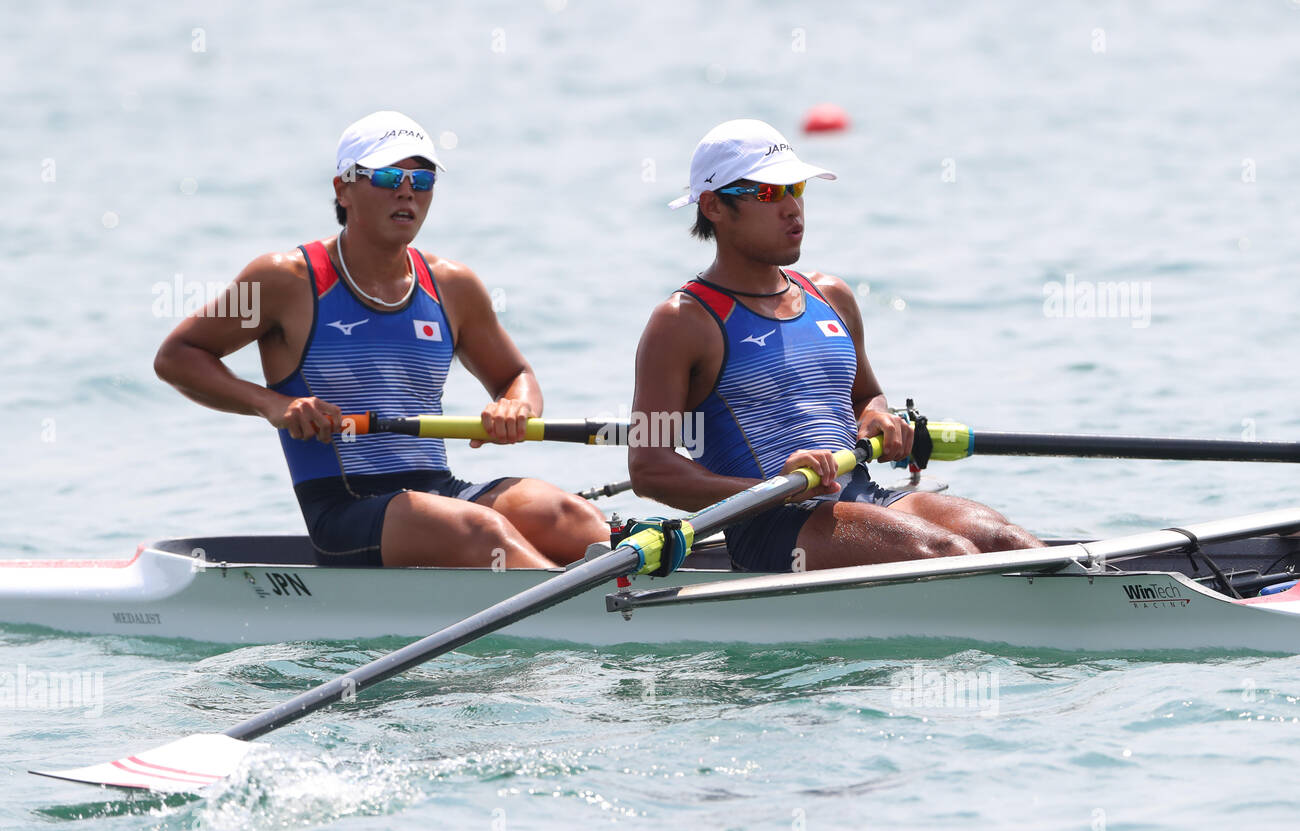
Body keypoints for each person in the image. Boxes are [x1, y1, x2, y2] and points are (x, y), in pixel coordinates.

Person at [155, 110, 608, 568]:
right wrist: (271, 404)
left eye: (422, 179)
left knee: (572, 516)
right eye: (389, 175)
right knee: (484, 531)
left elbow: (515, 375)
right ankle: (598, 619)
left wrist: (517, 406)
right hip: (345, 508)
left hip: (440, 492)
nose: (407, 190)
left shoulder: (452, 285)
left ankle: (617, 594)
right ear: (343, 188)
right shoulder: (285, 279)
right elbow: (178, 356)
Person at [629, 119, 1042, 572]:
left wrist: (877, 417)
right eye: (769, 193)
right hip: (774, 524)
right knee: (950, 554)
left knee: (1011, 541)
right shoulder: (682, 322)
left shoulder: (832, 296)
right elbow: (651, 467)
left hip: (863, 495)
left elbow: (865, 396)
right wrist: (769, 485)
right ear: (713, 206)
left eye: (797, 188)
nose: (793, 208)